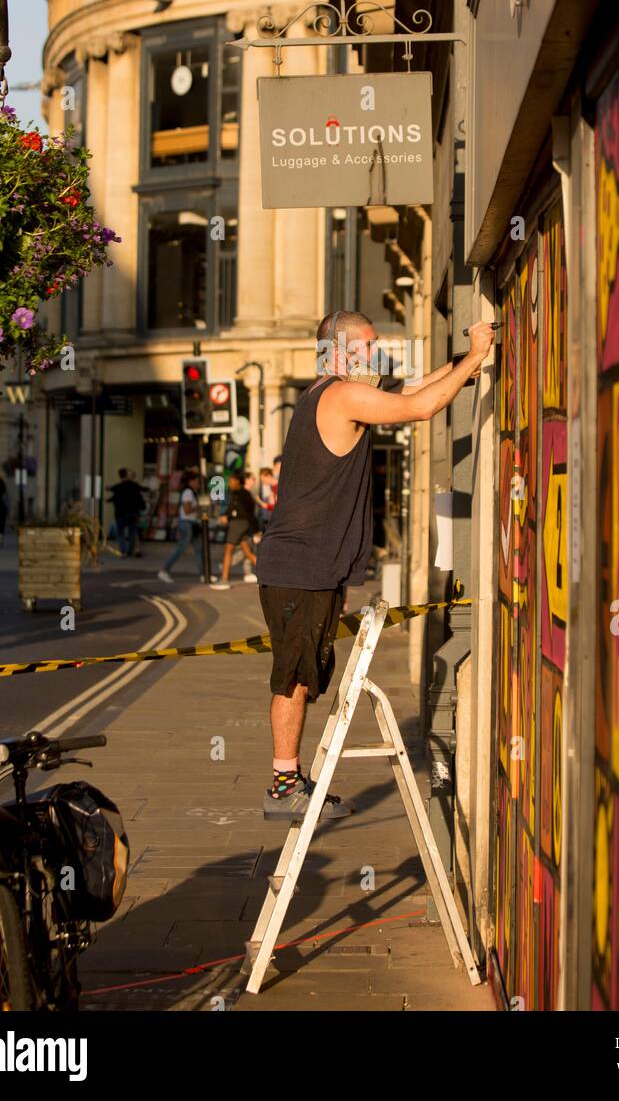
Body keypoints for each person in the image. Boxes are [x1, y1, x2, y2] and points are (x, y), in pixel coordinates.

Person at [255, 310, 495, 821]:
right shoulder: (342, 396)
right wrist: (474, 356)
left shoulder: (329, 392)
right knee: (293, 678)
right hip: (300, 567)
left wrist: (459, 368)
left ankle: (291, 777)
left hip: (308, 567)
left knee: (306, 674)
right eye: (366, 347)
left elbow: (410, 388)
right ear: (337, 353)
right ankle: (282, 785)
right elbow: (421, 408)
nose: (375, 355)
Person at [212, 471, 258, 589]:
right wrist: (226, 515)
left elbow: (247, 512)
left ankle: (224, 580)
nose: (229, 483)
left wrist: (256, 530)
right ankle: (268, 574)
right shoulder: (238, 493)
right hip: (241, 523)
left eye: (231, 481)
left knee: (228, 549)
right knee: (247, 552)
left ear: (238, 481)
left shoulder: (242, 494)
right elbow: (233, 509)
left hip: (239, 523)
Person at [157, 469, 204, 583]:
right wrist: (199, 506)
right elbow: (187, 510)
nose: (198, 484)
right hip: (187, 523)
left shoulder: (191, 492)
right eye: (197, 482)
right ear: (191, 481)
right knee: (181, 548)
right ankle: (164, 570)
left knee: (199, 549)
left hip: (193, 523)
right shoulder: (188, 492)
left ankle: (204, 574)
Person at [109, 468, 146, 559]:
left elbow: (113, 495)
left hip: (121, 513)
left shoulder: (119, 487)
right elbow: (142, 494)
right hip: (133, 513)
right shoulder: (135, 487)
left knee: (120, 533)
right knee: (133, 533)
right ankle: (132, 550)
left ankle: (123, 551)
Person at [256, 467, 276, 535]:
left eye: (263, 479)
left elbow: (274, 507)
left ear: (269, 476)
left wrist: (259, 501)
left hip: (274, 521)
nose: (262, 482)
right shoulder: (272, 488)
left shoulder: (277, 487)